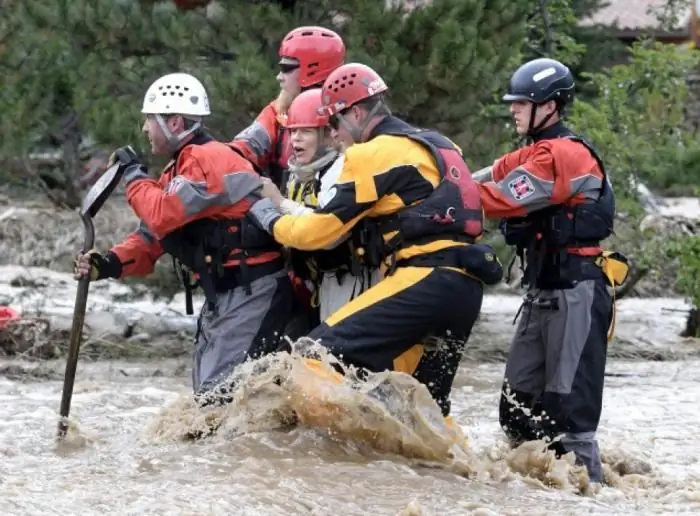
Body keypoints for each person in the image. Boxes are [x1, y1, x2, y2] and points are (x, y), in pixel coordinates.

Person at [248, 63, 503, 419]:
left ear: (356, 112)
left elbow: (321, 232)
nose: (334, 134)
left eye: (335, 122)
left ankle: (338, 457)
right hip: (465, 288)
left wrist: (271, 218)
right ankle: (451, 471)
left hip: (424, 281)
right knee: (424, 408)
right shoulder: (442, 144)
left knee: (312, 357)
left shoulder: (372, 153)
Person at [73, 72, 294, 402]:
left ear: (174, 122)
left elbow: (162, 212)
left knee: (218, 401)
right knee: (212, 400)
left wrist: (132, 174)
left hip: (254, 293)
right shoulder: (179, 170)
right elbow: (153, 236)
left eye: (150, 119)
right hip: (228, 297)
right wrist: (107, 265)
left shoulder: (207, 159)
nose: (144, 128)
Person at [473, 57, 629, 483]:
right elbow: (485, 176)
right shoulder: (534, 153)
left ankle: (586, 491)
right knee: (517, 410)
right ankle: (531, 492)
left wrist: (449, 199)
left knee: (569, 414)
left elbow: (495, 199)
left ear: (551, 107)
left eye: (523, 102)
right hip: (542, 292)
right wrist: (447, 181)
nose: (514, 109)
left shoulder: (562, 154)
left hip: (576, 290)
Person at [260, 88, 382, 325]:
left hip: (351, 278)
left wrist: (279, 203)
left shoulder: (342, 169)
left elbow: (329, 232)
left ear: (329, 135)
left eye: (305, 131)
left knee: (338, 354)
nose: (295, 139)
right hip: (320, 282)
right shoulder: (301, 176)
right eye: (292, 131)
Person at [229, 26, 346, 190]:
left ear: (312, 69)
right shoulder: (278, 112)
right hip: (281, 210)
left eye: (287, 69)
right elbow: (242, 148)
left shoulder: (349, 119)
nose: (279, 77)